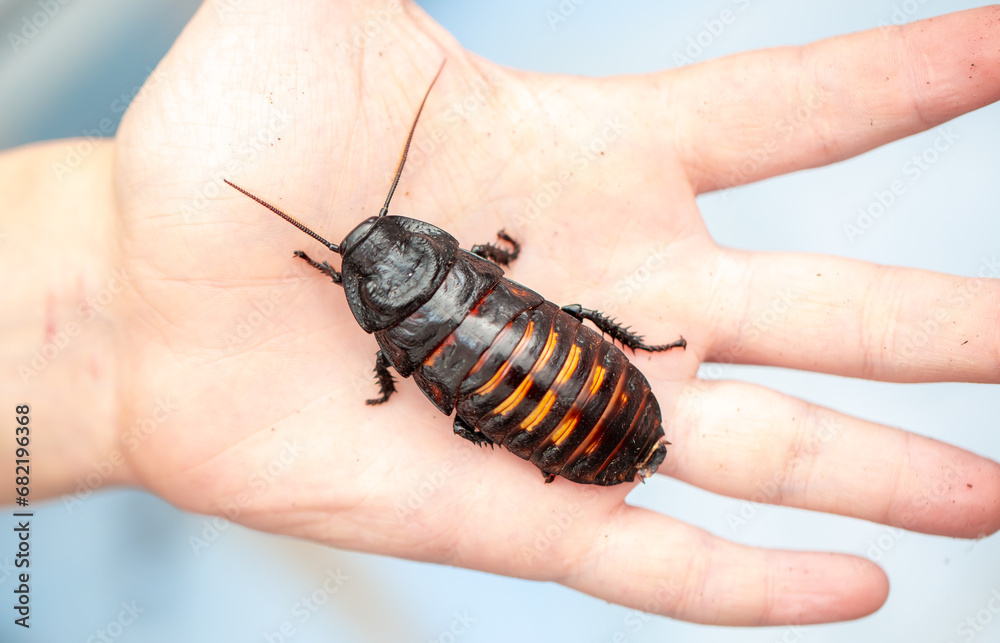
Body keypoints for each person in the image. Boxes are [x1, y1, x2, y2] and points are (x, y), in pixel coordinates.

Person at [3, 1, 998, 626]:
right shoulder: (460, 281)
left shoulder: (396, 343)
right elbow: (510, 314)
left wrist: (108, 274)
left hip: (564, 401)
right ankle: (605, 380)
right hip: (562, 375)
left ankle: (595, 400)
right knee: (537, 336)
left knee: (489, 390)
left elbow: (426, 384)